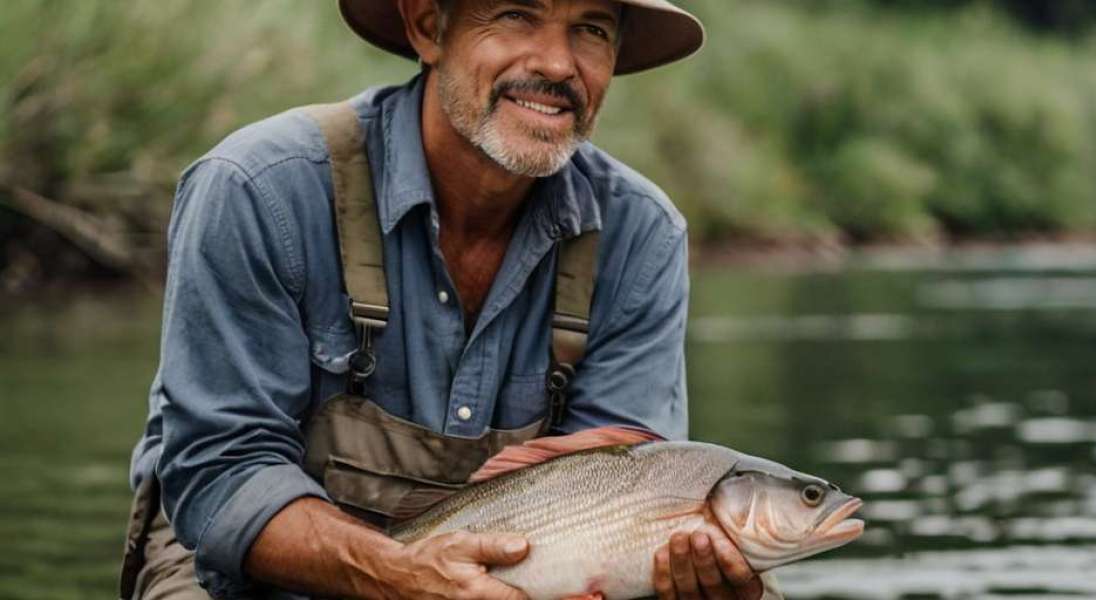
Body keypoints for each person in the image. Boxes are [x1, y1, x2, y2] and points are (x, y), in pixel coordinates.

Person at [122, 0, 766, 598]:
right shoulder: (258, 189)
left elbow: (621, 490)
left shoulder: (642, 235)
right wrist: (397, 576)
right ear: (429, 27)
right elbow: (220, 471)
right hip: (236, 574)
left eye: (591, 29)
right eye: (517, 14)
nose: (557, 63)